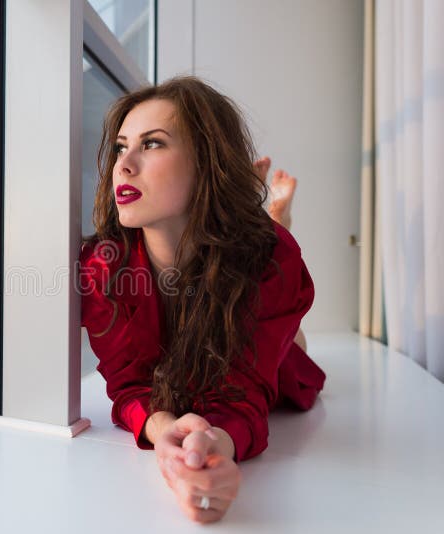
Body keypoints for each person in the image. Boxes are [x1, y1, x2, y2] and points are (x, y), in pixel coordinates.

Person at [79, 76, 326, 524]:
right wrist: (166, 430)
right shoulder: (100, 267)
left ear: (206, 163)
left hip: (251, 289)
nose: (124, 166)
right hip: (193, 328)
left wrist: (217, 446)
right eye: (120, 147)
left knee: (294, 351)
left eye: (151, 145)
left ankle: (270, 217)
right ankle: (261, 209)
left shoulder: (273, 259)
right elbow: (128, 386)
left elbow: (245, 395)